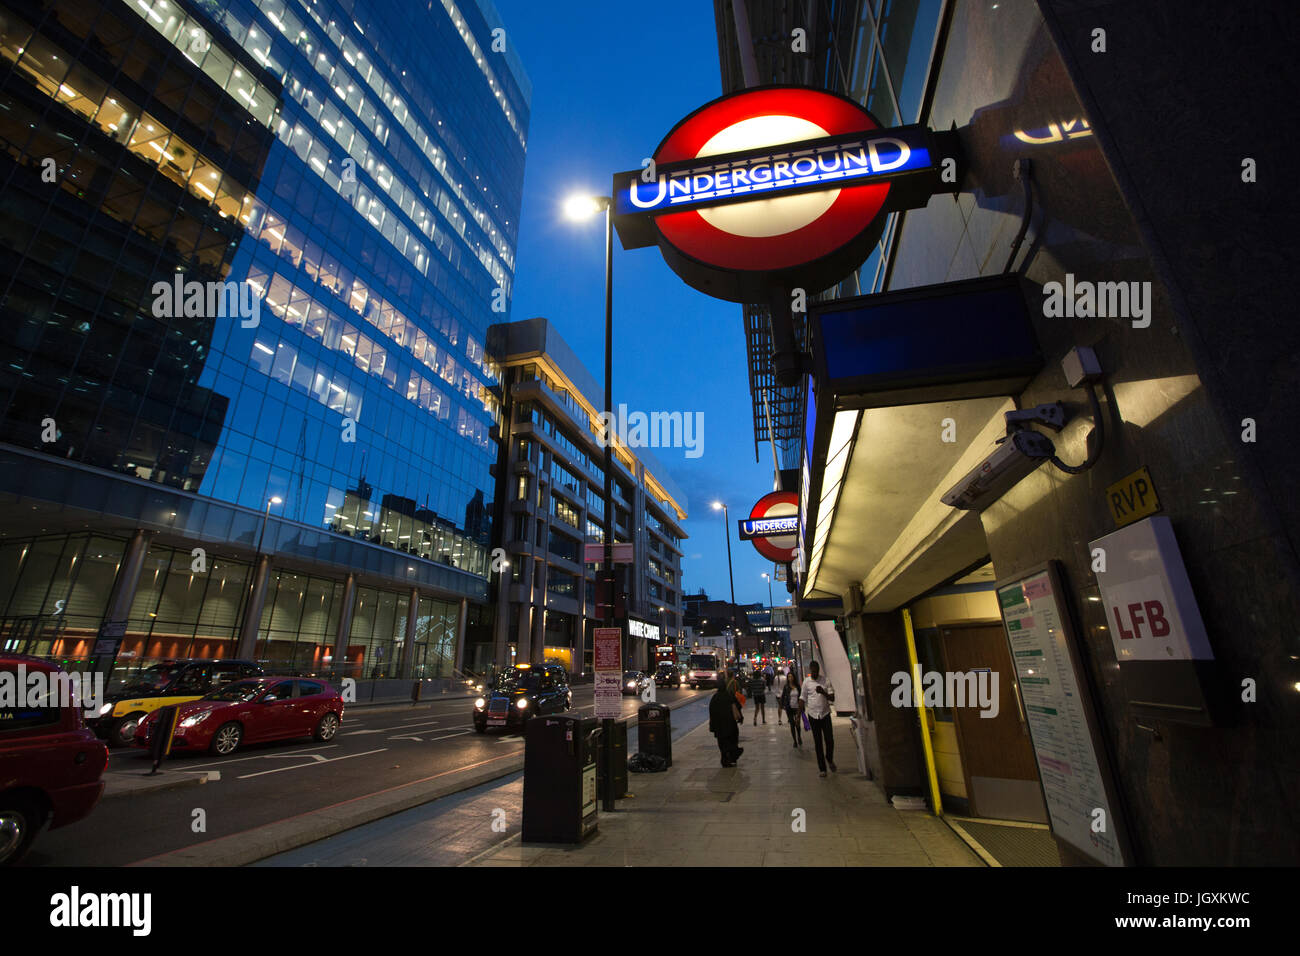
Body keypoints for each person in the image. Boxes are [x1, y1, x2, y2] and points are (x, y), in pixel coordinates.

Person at [799, 660, 836, 776]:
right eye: (813, 670)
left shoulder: (825, 680)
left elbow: (832, 698)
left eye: (816, 670)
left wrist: (823, 692)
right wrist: (801, 716)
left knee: (829, 740)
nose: (815, 672)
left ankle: (829, 758)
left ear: (819, 669)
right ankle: (822, 769)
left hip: (825, 714)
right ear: (810, 670)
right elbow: (802, 698)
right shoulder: (806, 682)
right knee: (818, 742)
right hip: (813, 716)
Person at [709, 677, 743, 767]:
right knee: (732, 741)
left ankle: (725, 759)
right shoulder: (729, 695)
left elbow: (711, 712)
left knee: (722, 743)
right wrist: (740, 718)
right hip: (730, 724)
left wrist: (712, 725)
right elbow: (737, 706)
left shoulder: (715, 698)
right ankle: (732, 756)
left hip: (719, 725)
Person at [780, 672, 802, 746]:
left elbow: (801, 697)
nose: (790, 678)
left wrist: (802, 706)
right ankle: (795, 741)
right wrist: (783, 705)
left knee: (797, 724)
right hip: (789, 707)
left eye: (791, 676)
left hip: (797, 708)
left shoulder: (798, 686)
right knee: (792, 724)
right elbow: (783, 696)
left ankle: (799, 736)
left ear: (794, 677)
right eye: (789, 677)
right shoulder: (786, 687)